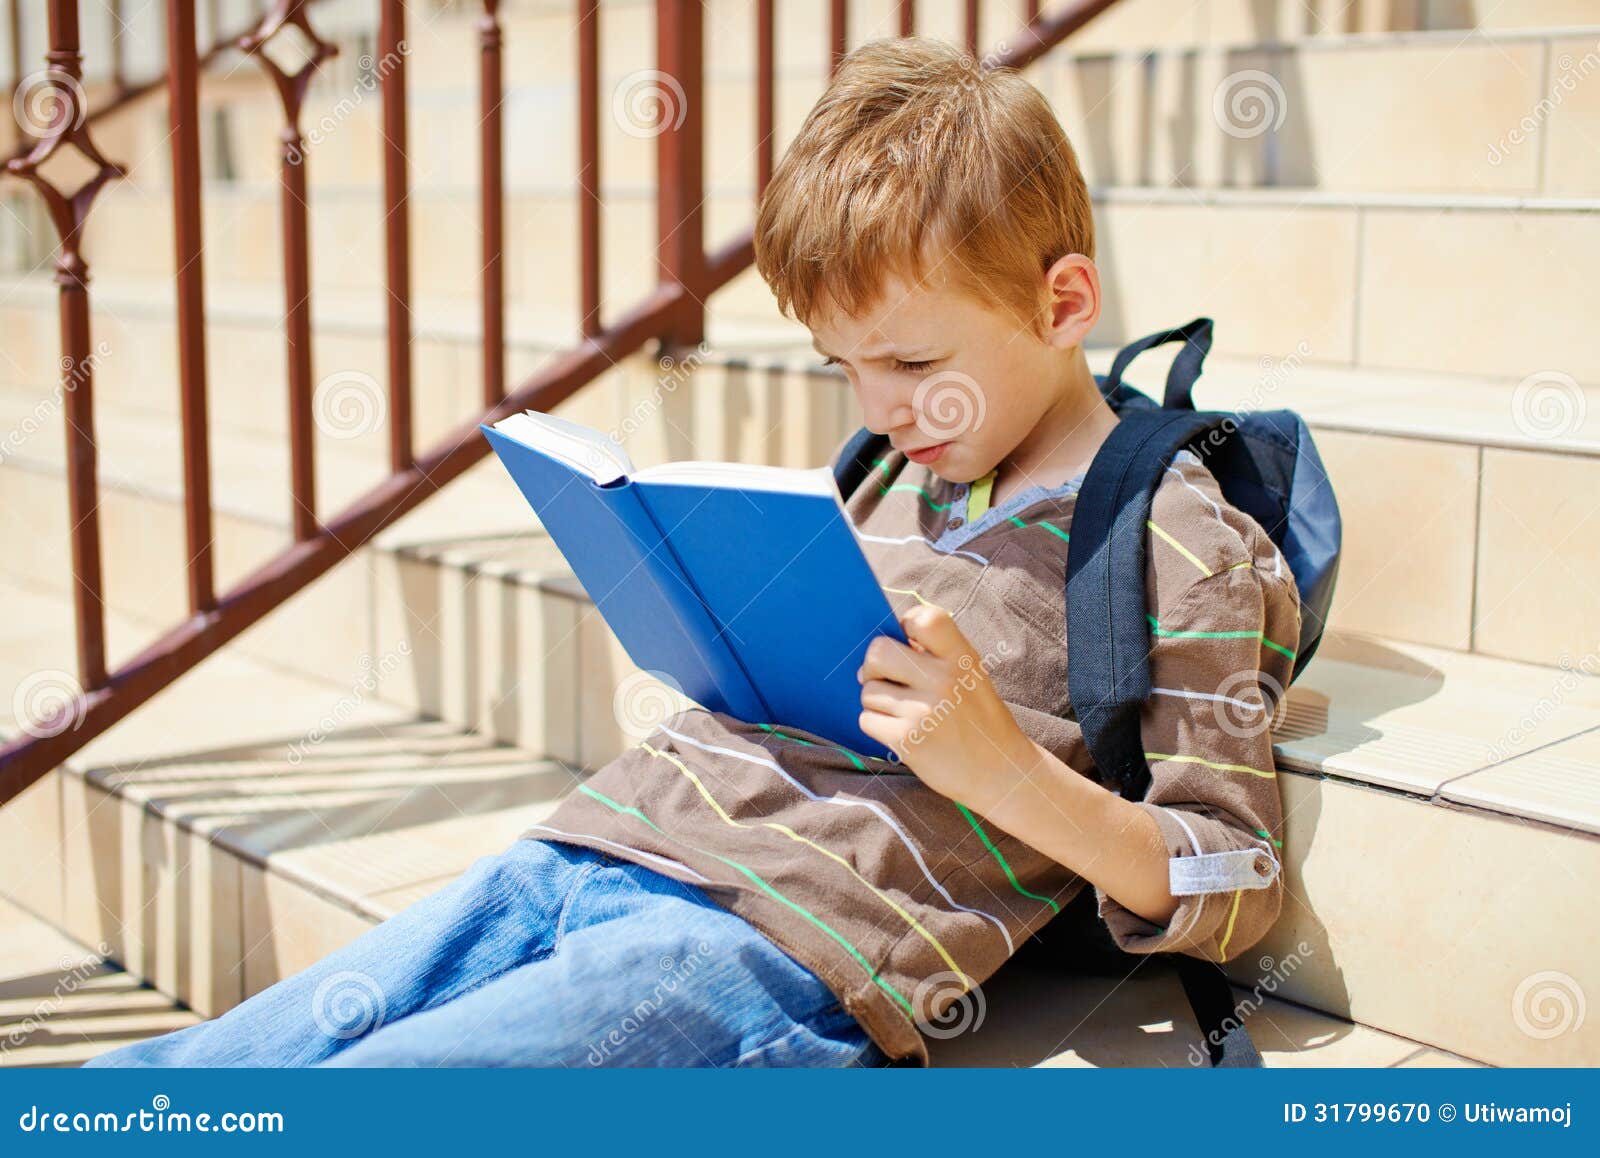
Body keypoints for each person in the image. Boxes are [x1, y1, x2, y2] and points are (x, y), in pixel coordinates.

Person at [86, 35, 1297, 1069]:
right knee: (200, 1070)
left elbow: (1235, 886)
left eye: (914, 364)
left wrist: (1006, 774)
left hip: (757, 948)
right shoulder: (888, 467)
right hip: (587, 851)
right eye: (845, 368)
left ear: (1065, 301)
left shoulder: (1171, 533)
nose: (875, 408)